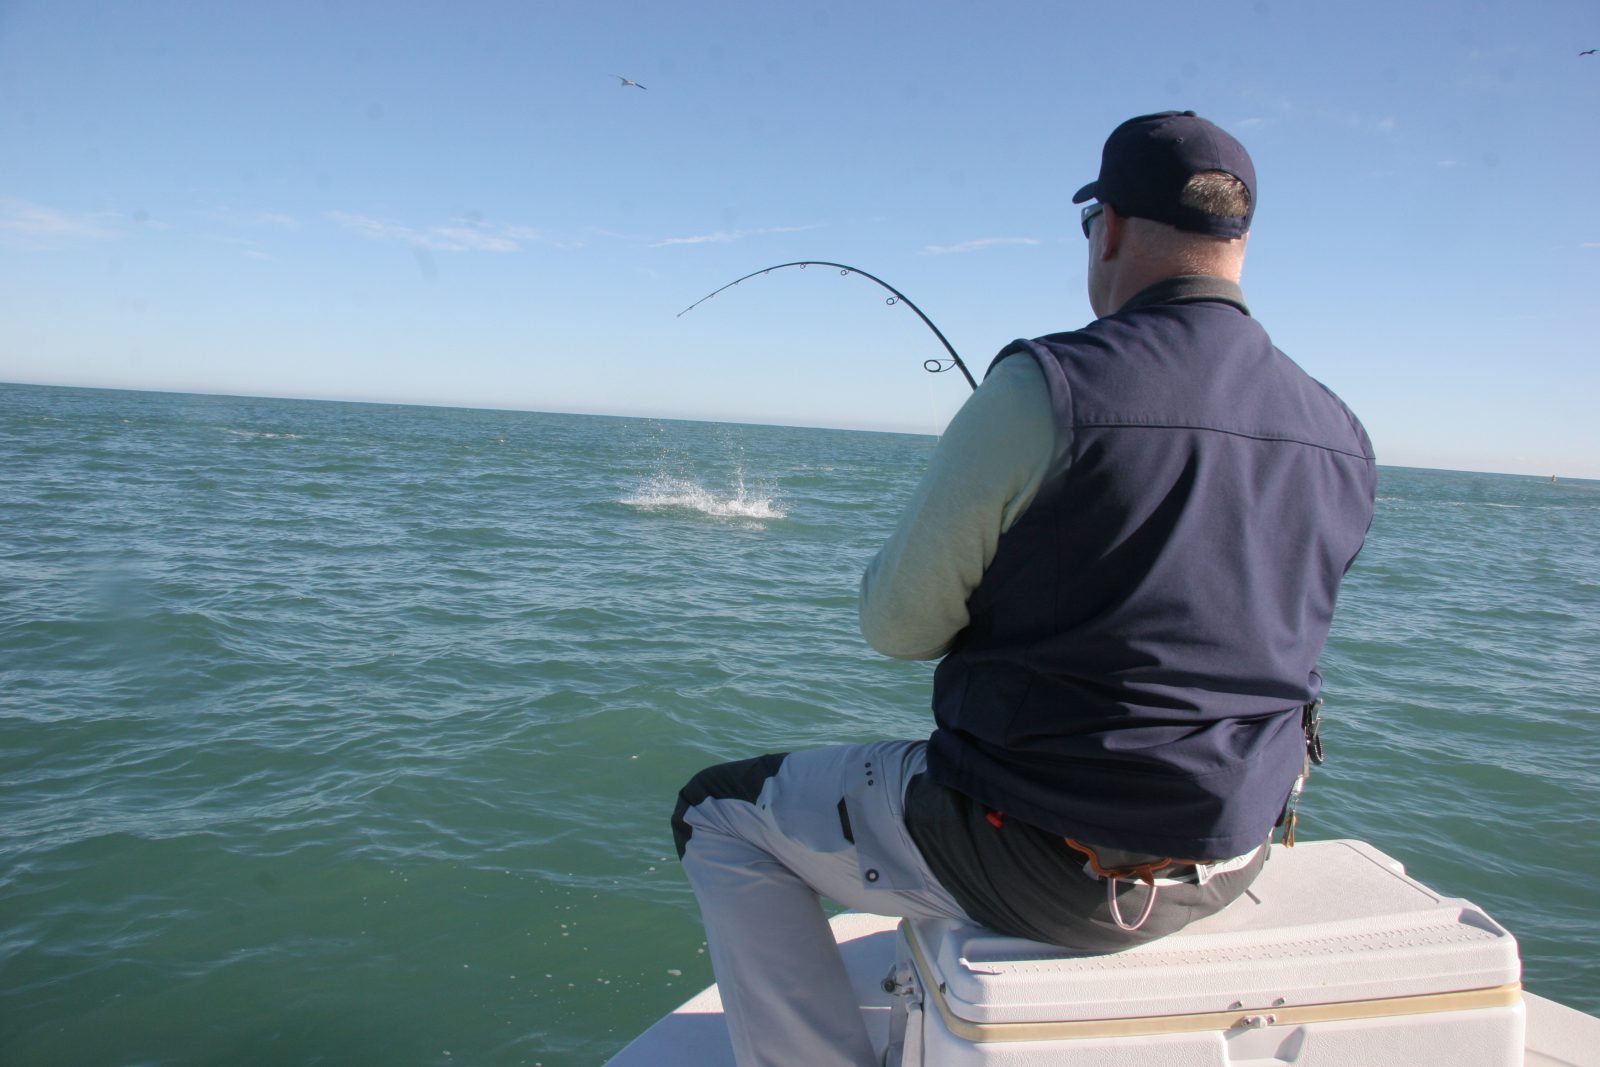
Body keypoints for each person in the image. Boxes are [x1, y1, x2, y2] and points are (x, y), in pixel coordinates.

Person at [672, 110, 1377, 1067]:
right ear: (1238, 243)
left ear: (1111, 227)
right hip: (1231, 852)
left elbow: (896, 625)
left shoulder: (1045, 385)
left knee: (717, 811)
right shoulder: (1341, 432)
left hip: (1047, 862)